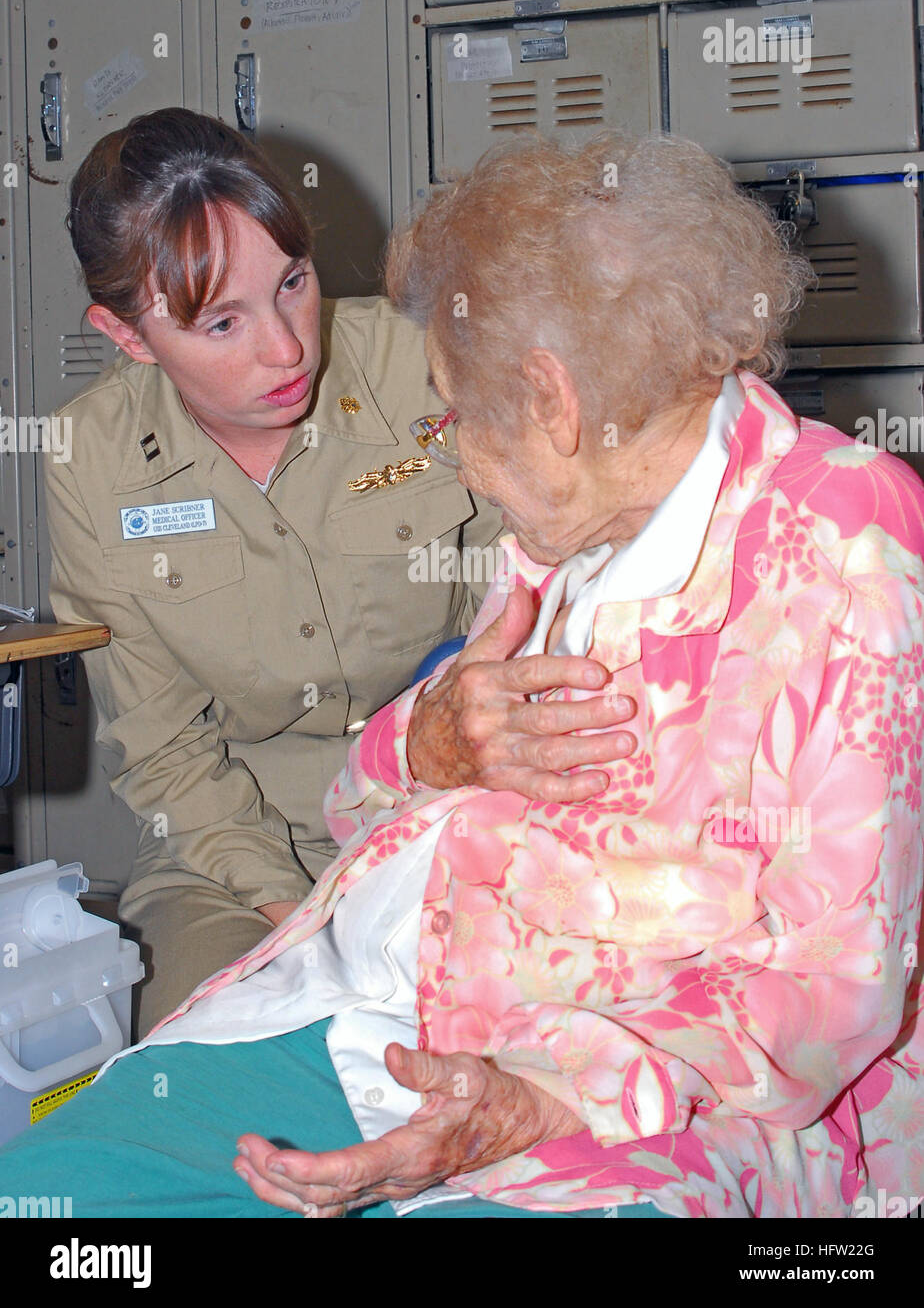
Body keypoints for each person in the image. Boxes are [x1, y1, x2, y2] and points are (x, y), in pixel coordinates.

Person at [4, 128, 922, 1219]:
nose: (459, 452)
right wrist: (428, 739)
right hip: (385, 979)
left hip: (615, 1061)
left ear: (551, 403)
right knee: (55, 1198)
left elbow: (829, 981)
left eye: (463, 418)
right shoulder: (559, 524)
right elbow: (359, 802)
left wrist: (544, 1093)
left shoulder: (838, 539)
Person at [47, 109, 638, 1033]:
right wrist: (301, 921)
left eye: (293, 283)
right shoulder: (92, 463)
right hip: (236, 852)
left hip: (458, 799)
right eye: (221, 322)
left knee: (528, 1045)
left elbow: (547, 592)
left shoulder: (424, 367)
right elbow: (165, 753)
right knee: (225, 1065)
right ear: (126, 336)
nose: (285, 348)